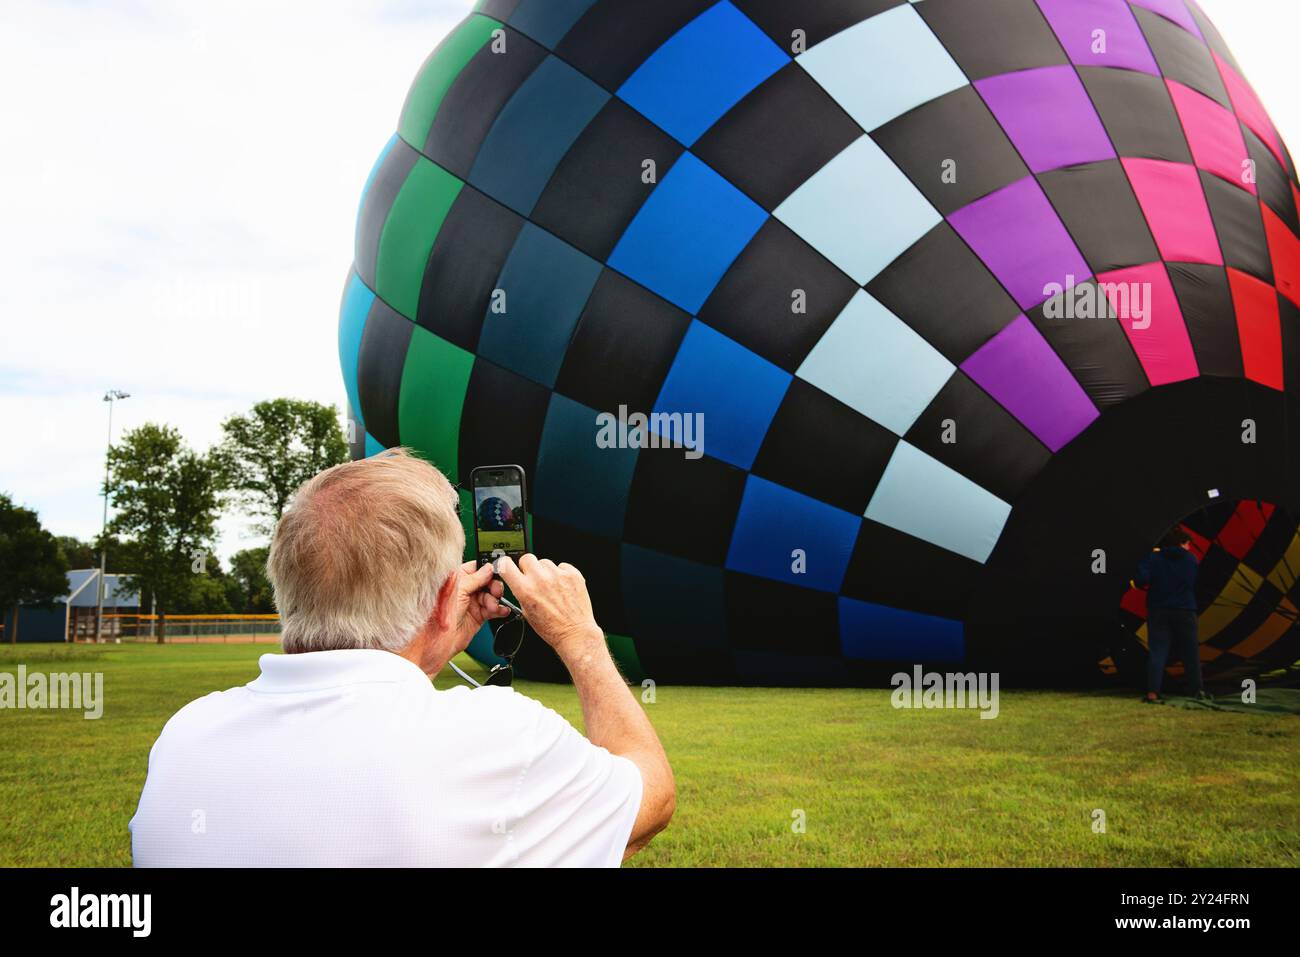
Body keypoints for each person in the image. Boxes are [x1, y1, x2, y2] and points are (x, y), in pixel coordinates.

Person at [128, 449, 674, 866]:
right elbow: (649, 799)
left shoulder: (184, 736)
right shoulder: (500, 735)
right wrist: (580, 637)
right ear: (444, 599)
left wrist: (427, 645)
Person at [1133, 528, 1208, 703]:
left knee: (1158, 652)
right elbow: (1198, 582)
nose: (1189, 547)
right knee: (1190, 652)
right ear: (1182, 542)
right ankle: (1197, 691)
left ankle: (1152, 693)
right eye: (1188, 544)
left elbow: (1140, 580)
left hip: (1159, 610)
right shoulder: (1191, 559)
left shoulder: (1153, 557)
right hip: (1185, 610)